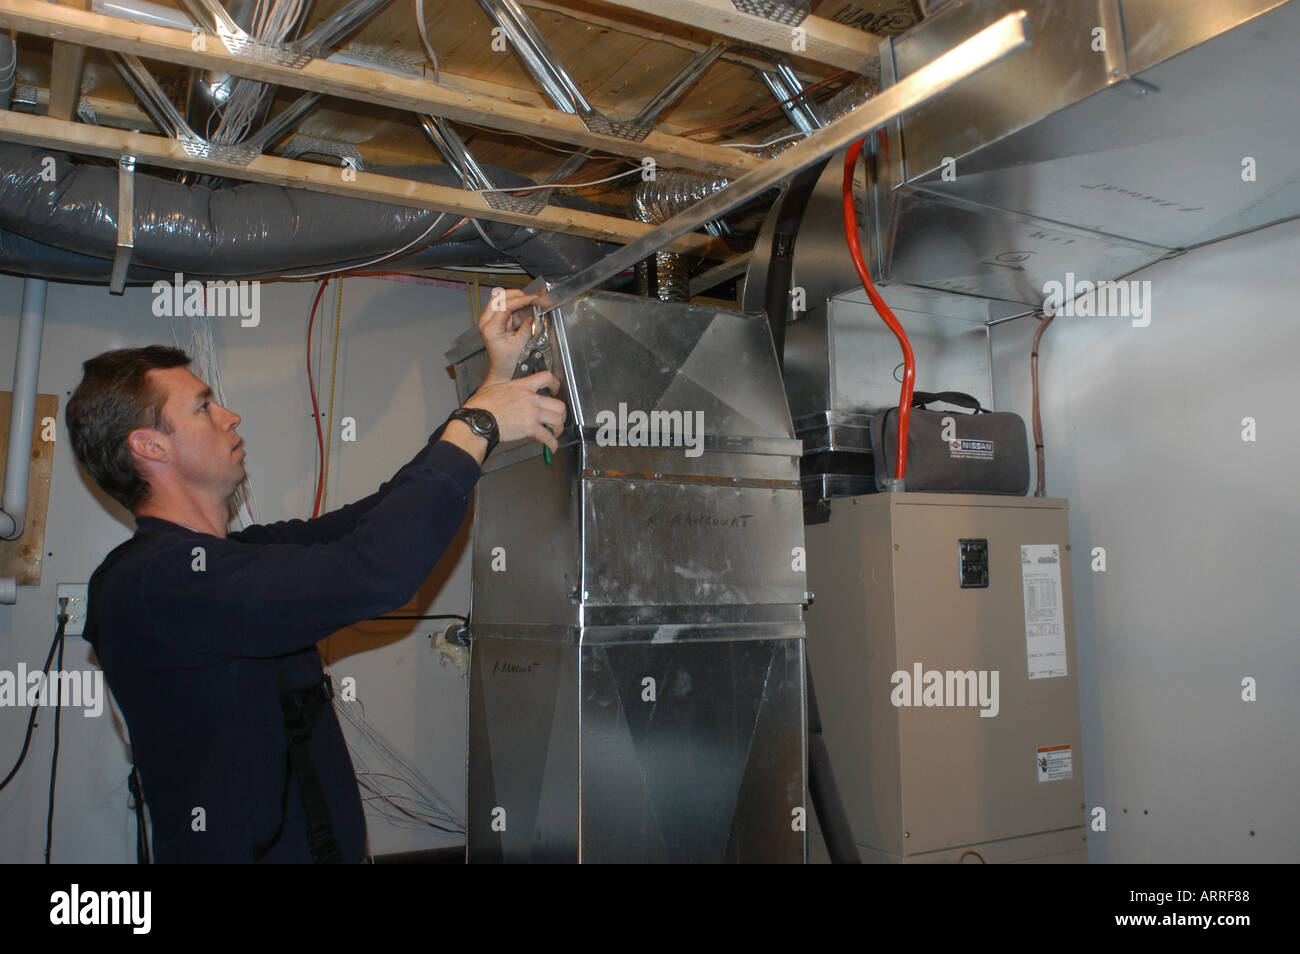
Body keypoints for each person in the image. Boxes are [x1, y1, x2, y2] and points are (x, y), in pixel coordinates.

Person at [64, 288, 564, 863]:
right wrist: (480, 422)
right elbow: (377, 571)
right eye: (203, 407)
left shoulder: (234, 557)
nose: (230, 415)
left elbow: (381, 517)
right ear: (150, 446)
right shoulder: (157, 583)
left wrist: (489, 392)